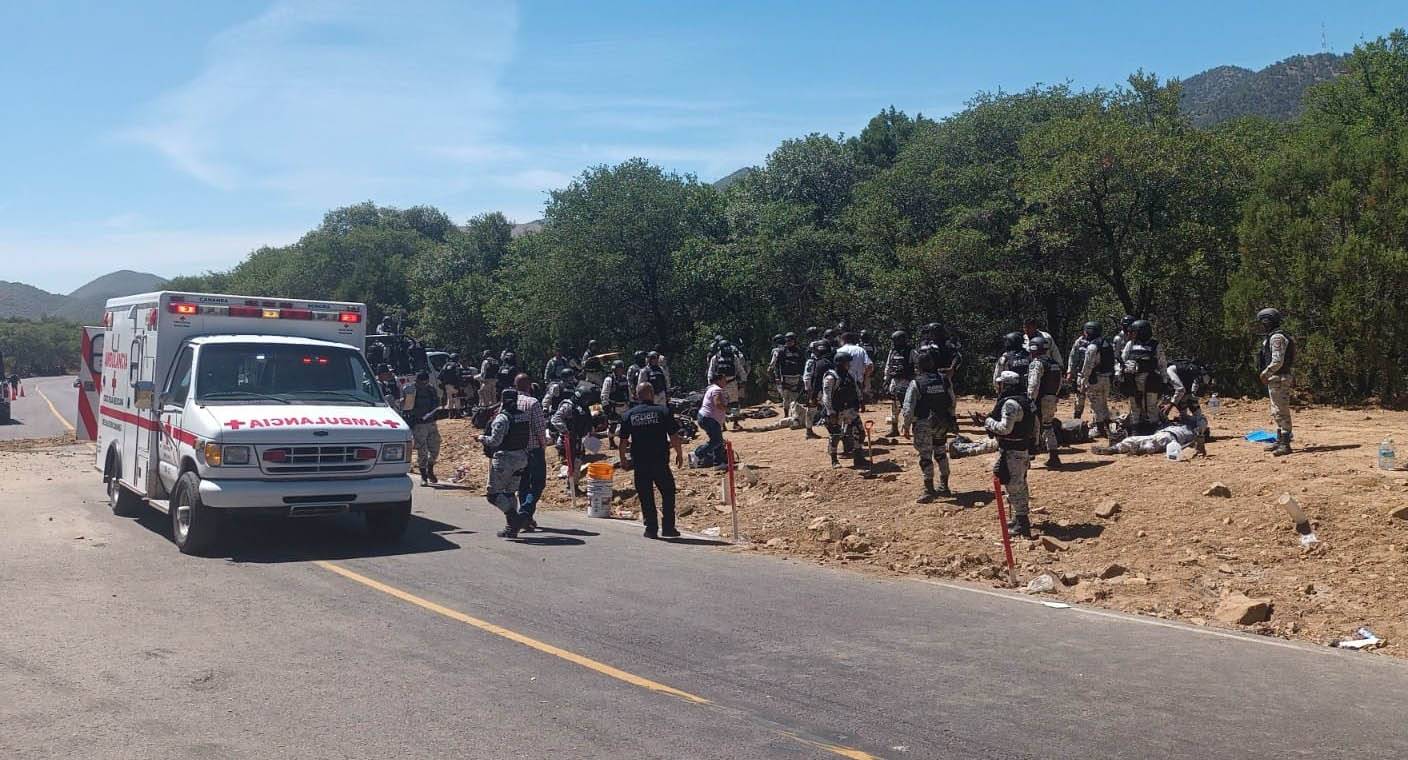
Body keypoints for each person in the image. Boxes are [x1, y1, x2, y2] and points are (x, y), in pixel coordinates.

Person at [617, 383, 686, 539]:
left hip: (640, 463)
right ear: (652, 393)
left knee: (645, 495)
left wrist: (623, 460)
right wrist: (679, 454)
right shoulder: (663, 411)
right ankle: (668, 527)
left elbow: (622, 442)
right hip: (660, 461)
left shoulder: (629, 415)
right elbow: (674, 436)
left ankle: (651, 528)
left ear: (636, 395)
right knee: (668, 492)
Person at [977, 370, 1036, 538]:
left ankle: (1022, 524)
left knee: (1014, 486)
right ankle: (1019, 519)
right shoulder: (1027, 401)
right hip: (1021, 449)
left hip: (1013, 452)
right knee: (1018, 484)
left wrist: (986, 421)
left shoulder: (1010, 404)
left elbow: (1004, 429)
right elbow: (1035, 424)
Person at [479, 388, 531, 538]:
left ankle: (516, 519)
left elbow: (495, 441)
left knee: (493, 495)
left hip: (504, 460)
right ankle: (511, 529)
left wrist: (481, 438)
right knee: (509, 493)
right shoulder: (523, 416)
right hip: (521, 459)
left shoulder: (502, 418)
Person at [903, 349, 954, 501]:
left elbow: (908, 408)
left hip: (923, 423)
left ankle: (929, 490)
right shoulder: (944, 379)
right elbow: (952, 401)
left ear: (918, 366)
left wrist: (905, 426)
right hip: (942, 422)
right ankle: (944, 486)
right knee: (940, 453)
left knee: (925, 456)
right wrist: (951, 418)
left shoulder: (916, 383)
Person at [1093, 406, 1208, 457]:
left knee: (1142, 441)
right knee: (1149, 442)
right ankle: (1122, 449)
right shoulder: (1178, 424)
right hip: (1165, 436)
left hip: (1170, 436)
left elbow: (1201, 422)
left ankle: (1114, 449)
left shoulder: (1192, 427)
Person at [1257, 308, 1296, 456]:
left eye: (1263, 322)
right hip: (1277, 378)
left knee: (1281, 411)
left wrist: (1265, 373)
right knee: (1276, 411)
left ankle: (1285, 444)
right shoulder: (1274, 336)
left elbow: (1277, 361)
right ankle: (1280, 440)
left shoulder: (1277, 337)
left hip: (1278, 378)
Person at [1118, 319, 1166, 435]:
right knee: (1135, 405)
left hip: (1150, 379)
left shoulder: (1155, 345)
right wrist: (1120, 376)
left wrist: (1165, 380)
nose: (1132, 334)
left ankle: (1154, 432)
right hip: (1133, 380)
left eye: (1134, 332)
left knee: (1151, 405)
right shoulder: (1131, 344)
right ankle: (1135, 431)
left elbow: (1162, 363)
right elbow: (1123, 361)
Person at [513, 374, 547, 532]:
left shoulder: (509, 402)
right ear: (529, 386)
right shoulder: (533, 403)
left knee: (523, 484)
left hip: (515, 451)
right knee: (538, 483)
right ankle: (524, 512)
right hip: (533, 450)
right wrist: (543, 446)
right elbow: (540, 429)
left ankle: (527, 519)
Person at [821, 352, 867, 468]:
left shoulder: (849, 375)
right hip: (836, 411)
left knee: (860, 433)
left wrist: (861, 401)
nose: (849, 365)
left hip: (850, 410)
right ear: (840, 363)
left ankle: (858, 457)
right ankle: (834, 460)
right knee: (836, 435)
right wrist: (830, 412)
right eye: (847, 363)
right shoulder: (831, 377)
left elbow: (856, 388)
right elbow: (826, 396)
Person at [1027, 335, 1063, 468]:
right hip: (1052, 398)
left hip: (1039, 399)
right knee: (1048, 426)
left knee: (1032, 427)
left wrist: (1030, 400)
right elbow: (1059, 383)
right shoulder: (1054, 363)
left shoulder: (1037, 363)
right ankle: (1054, 456)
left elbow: (1033, 384)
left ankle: (1028, 458)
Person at [1076, 322, 1117, 438]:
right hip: (1106, 378)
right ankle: (1107, 428)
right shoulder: (1107, 343)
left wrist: (1083, 381)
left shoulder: (1092, 346)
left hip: (1095, 379)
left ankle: (1100, 430)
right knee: (1103, 403)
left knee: (1096, 406)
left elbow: (1088, 365)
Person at [408, 371, 442, 485]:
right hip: (419, 424)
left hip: (431, 422)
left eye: (425, 382)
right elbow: (407, 406)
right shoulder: (411, 389)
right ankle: (423, 476)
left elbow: (437, 402)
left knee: (435, 447)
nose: (423, 384)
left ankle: (430, 468)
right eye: (421, 382)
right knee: (422, 450)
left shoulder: (430, 389)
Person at [768, 332, 806, 429]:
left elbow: (803, 364)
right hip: (785, 378)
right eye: (787, 340)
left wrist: (803, 377)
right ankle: (786, 415)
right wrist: (774, 376)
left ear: (795, 340)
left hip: (797, 377)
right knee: (786, 398)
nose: (789, 342)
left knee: (794, 399)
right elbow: (775, 364)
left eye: (791, 340)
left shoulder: (799, 351)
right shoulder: (781, 351)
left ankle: (794, 417)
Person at [707, 342, 747, 430]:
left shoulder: (733, 357)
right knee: (721, 404)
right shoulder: (716, 358)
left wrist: (743, 379)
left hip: (732, 382)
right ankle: (722, 424)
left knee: (734, 403)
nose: (727, 348)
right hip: (720, 384)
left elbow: (739, 368)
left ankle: (735, 423)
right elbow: (711, 370)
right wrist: (710, 383)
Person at [883, 330, 916, 438]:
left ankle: (914, 429)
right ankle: (894, 429)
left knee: (910, 405)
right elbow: (888, 366)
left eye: (896, 340)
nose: (894, 342)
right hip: (895, 381)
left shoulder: (911, 351)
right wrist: (886, 380)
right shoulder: (892, 351)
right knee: (894, 406)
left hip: (907, 382)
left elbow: (918, 365)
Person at [691, 373, 729, 468]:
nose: (726, 381)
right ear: (718, 380)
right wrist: (727, 409)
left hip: (707, 418)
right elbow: (718, 404)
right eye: (724, 379)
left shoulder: (711, 388)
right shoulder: (717, 389)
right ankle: (697, 453)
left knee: (717, 440)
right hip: (709, 419)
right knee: (717, 441)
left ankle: (718, 463)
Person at [801, 340, 832, 440]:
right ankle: (809, 431)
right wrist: (809, 392)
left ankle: (833, 431)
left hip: (825, 388)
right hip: (815, 389)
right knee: (812, 410)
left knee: (827, 410)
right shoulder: (811, 361)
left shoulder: (825, 360)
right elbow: (807, 377)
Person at [601, 360, 631, 446]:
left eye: (621, 368)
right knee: (613, 425)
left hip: (624, 405)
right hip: (614, 406)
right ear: (614, 369)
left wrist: (630, 401)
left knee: (625, 424)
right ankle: (611, 440)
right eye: (619, 368)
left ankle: (624, 440)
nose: (621, 370)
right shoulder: (609, 379)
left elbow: (628, 391)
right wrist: (605, 405)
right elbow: (604, 393)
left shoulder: (625, 378)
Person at [1066, 326, 1092, 420]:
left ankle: (1097, 422)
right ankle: (1077, 419)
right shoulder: (1079, 341)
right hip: (1080, 373)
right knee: (1079, 397)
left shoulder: (1098, 341)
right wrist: (1070, 371)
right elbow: (1073, 357)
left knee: (1094, 398)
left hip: (1094, 375)